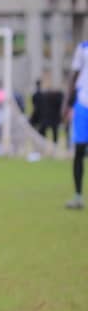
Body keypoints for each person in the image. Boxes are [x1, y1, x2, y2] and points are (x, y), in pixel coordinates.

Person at [64, 41, 88, 210]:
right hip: (83, 103)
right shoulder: (83, 48)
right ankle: (78, 196)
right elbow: (74, 75)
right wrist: (66, 103)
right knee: (79, 150)